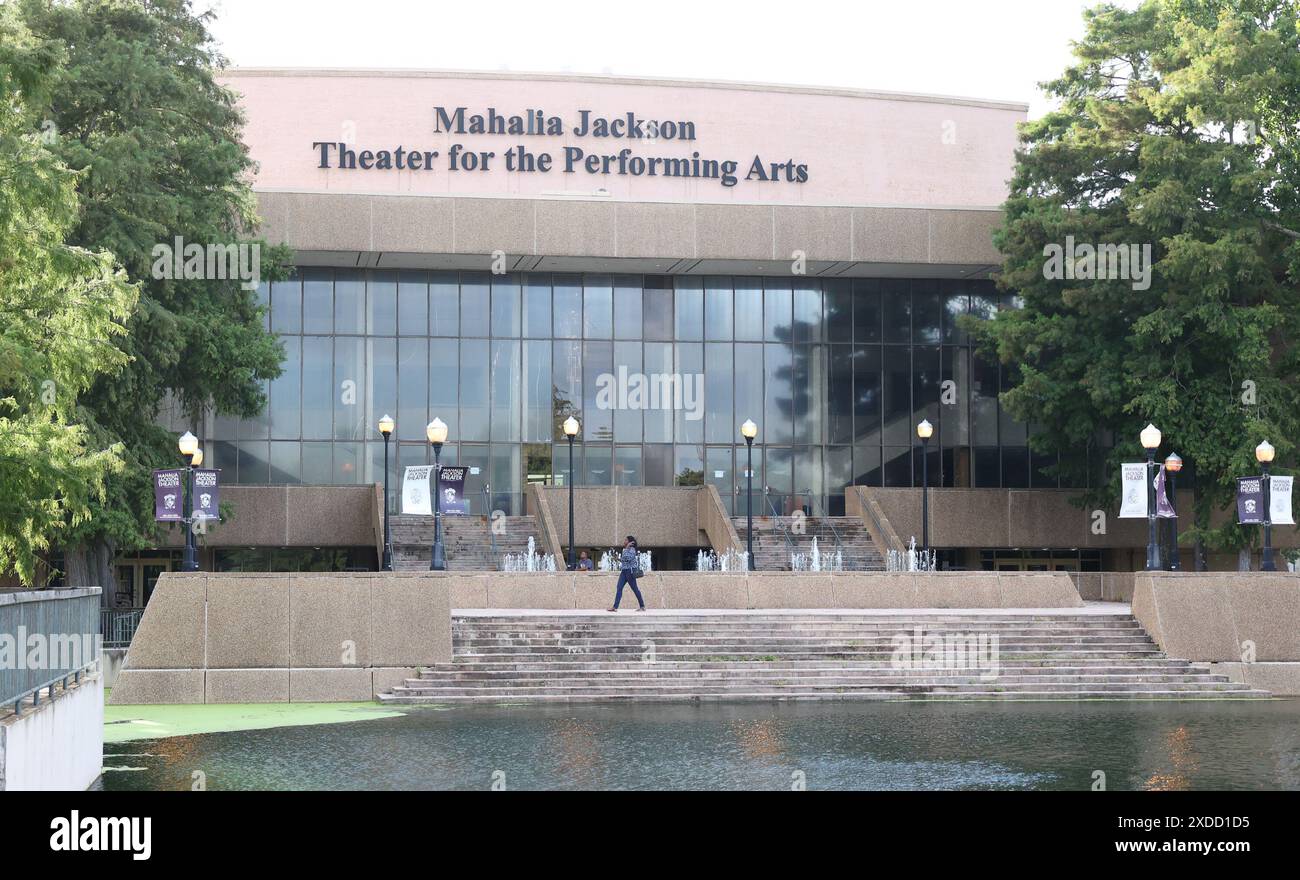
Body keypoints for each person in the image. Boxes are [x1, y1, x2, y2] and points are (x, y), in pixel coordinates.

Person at [608, 535, 646, 612]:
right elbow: (623, 560)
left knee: (635, 589)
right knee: (619, 587)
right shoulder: (626, 549)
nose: (624, 541)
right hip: (624, 571)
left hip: (630, 571)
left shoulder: (632, 549)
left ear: (629, 542)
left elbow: (628, 558)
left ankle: (642, 606)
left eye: (626, 540)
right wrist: (617, 558)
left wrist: (626, 549)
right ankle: (615, 607)